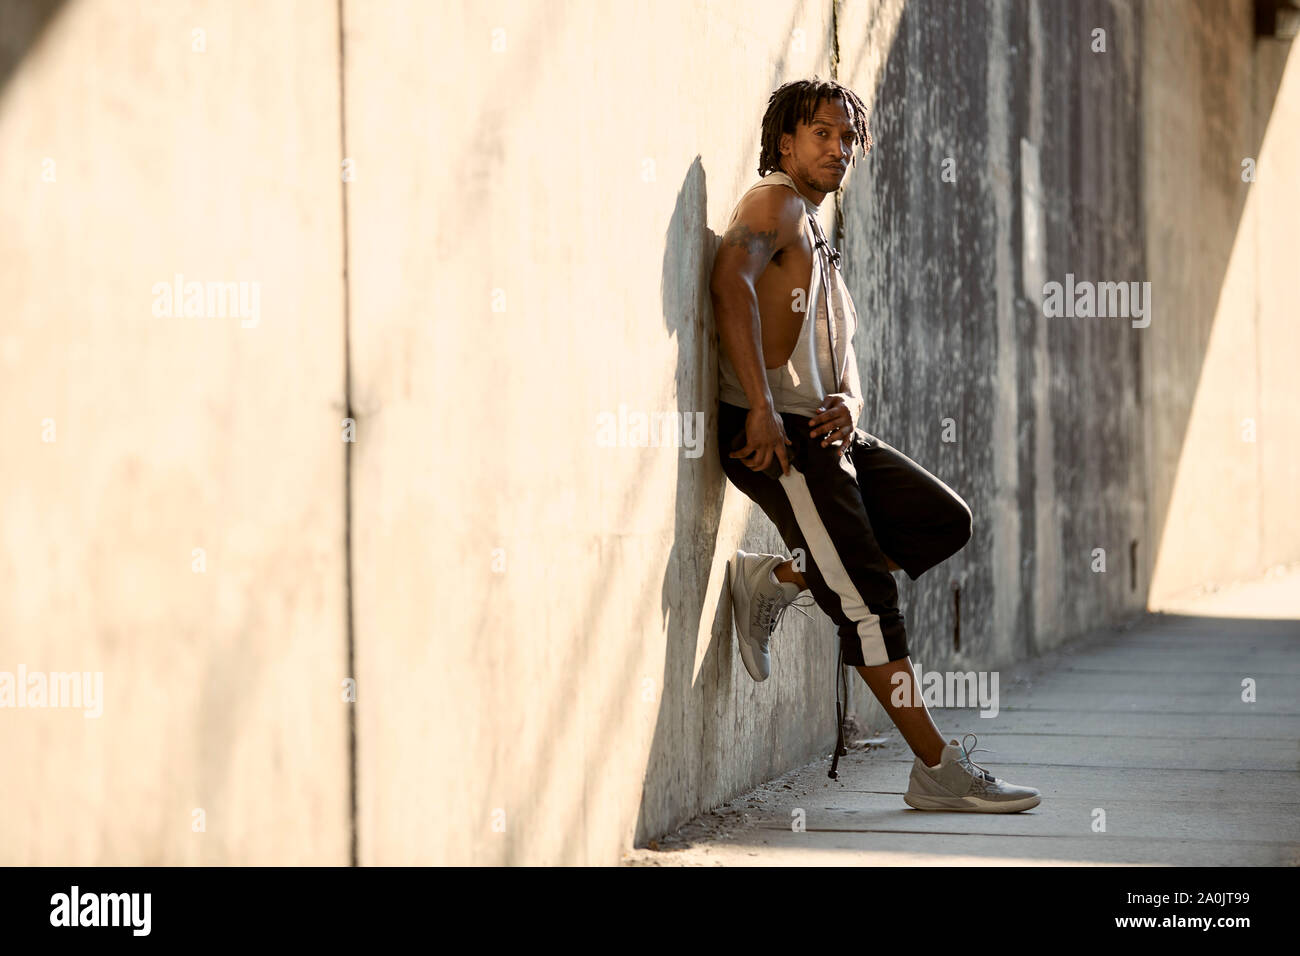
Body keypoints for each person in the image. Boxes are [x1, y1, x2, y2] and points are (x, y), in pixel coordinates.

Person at [710, 77, 1040, 812]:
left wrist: (852, 402)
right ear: (786, 143)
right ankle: (938, 770)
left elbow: (836, 349)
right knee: (868, 601)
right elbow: (729, 280)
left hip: (829, 433)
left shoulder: (816, 230)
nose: (838, 147)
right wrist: (761, 408)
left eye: (847, 136)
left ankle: (780, 581)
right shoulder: (776, 204)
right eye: (820, 134)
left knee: (941, 521)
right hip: (779, 440)